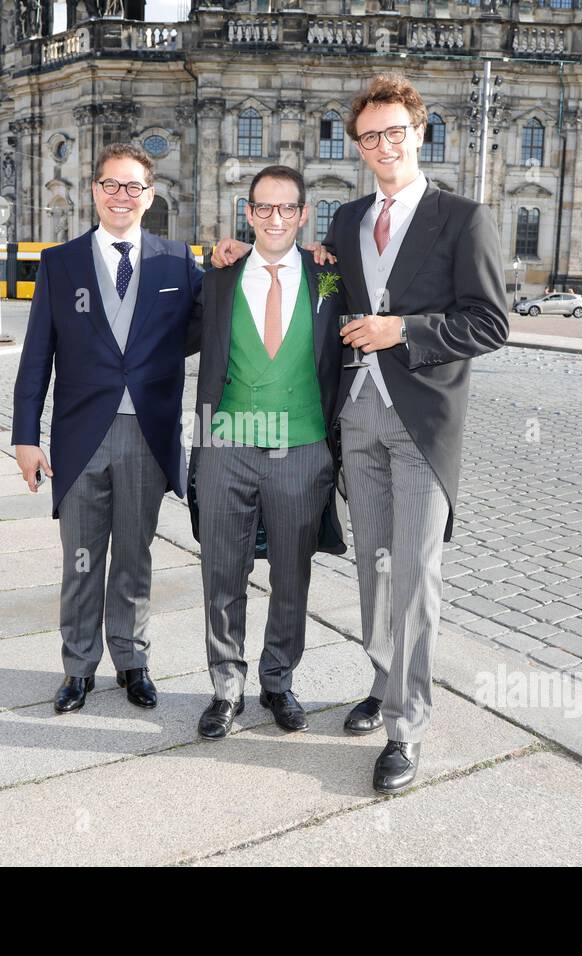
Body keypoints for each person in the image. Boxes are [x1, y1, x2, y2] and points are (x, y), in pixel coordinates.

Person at [213, 73, 510, 793]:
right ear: (359, 145)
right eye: (369, 136)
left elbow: (490, 322)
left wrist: (401, 330)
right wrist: (236, 259)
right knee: (375, 570)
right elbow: (322, 287)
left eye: (394, 132)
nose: (383, 145)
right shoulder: (346, 222)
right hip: (357, 418)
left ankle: (406, 730)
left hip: (422, 421)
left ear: (420, 130)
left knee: (414, 576)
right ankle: (382, 685)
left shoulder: (463, 218)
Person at [11, 142, 204, 715]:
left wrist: (239, 261)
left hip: (147, 434)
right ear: (95, 191)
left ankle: (132, 660)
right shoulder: (60, 262)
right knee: (81, 559)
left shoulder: (177, 262)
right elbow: (35, 357)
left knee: (135, 558)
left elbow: (203, 328)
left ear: (150, 196)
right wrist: (26, 436)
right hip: (79, 438)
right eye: (111, 185)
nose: (122, 196)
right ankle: (77, 668)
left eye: (134, 187)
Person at [187, 164, 346, 740]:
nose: (274, 219)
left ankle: (278, 680)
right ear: (248, 213)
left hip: (302, 448)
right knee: (221, 572)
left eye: (286, 209)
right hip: (225, 444)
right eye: (263, 208)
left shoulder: (329, 277)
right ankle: (225, 688)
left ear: (303, 215)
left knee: (291, 576)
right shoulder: (220, 276)